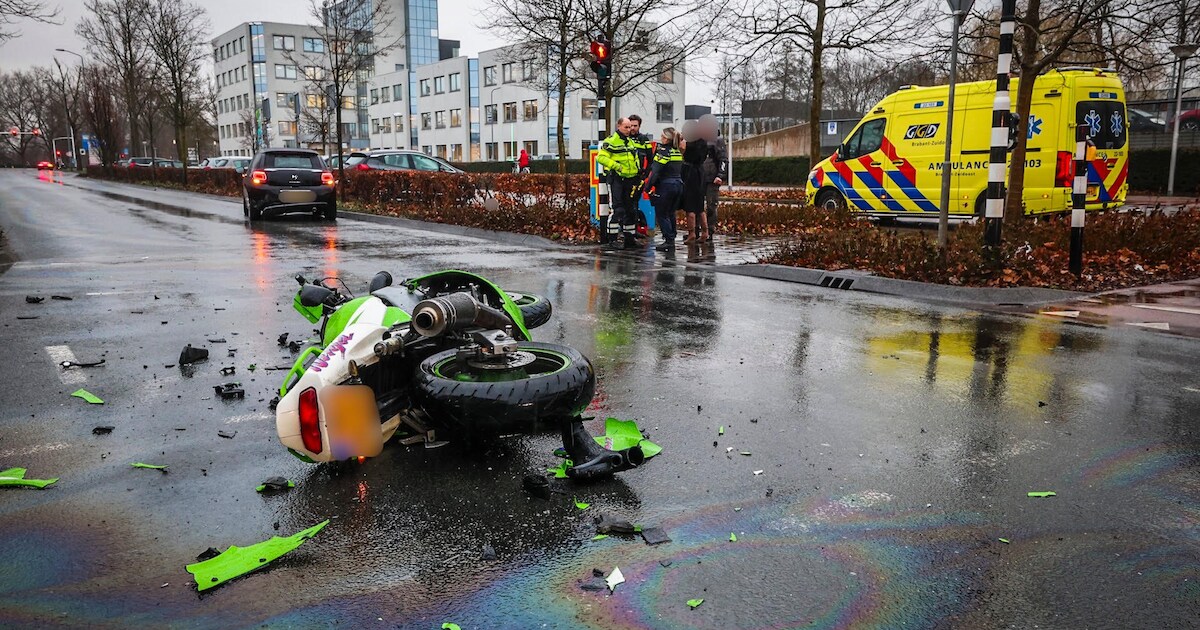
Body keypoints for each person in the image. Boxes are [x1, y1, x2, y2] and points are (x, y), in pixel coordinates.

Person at [595, 117, 642, 249]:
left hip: (630, 179)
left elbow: (635, 158)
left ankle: (630, 238)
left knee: (630, 210)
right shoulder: (611, 141)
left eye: (630, 127)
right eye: (626, 127)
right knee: (618, 209)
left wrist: (638, 172)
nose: (629, 130)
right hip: (617, 179)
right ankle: (612, 239)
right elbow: (601, 157)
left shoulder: (630, 142)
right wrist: (616, 166)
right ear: (619, 126)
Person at [644, 127, 683, 252]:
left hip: (666, 186)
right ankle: (672, 237)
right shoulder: (677, 151)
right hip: (678, 185)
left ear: (666, 138)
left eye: (662, 136)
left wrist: (648, 187)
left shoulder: (663, 152)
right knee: (671, 212)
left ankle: (668, 240)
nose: (660, 138)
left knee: (661, 214)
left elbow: (655, 172)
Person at [679, 120, 716, 243]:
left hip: (690, 173)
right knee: (700, 206)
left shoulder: (688, 143)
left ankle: (691, 233)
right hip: (701, 172)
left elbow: (682, 152)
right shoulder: (703, 141)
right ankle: (705, 232)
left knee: (689, 206)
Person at [698, 114, 728, 238]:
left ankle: (709, 230)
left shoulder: (717, 140)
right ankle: (696, 230)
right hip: (699, 177)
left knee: (711, 206)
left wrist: (720, 175)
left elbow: (723, 159)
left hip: (712, 178)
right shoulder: (699, 139)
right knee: (696, 205)